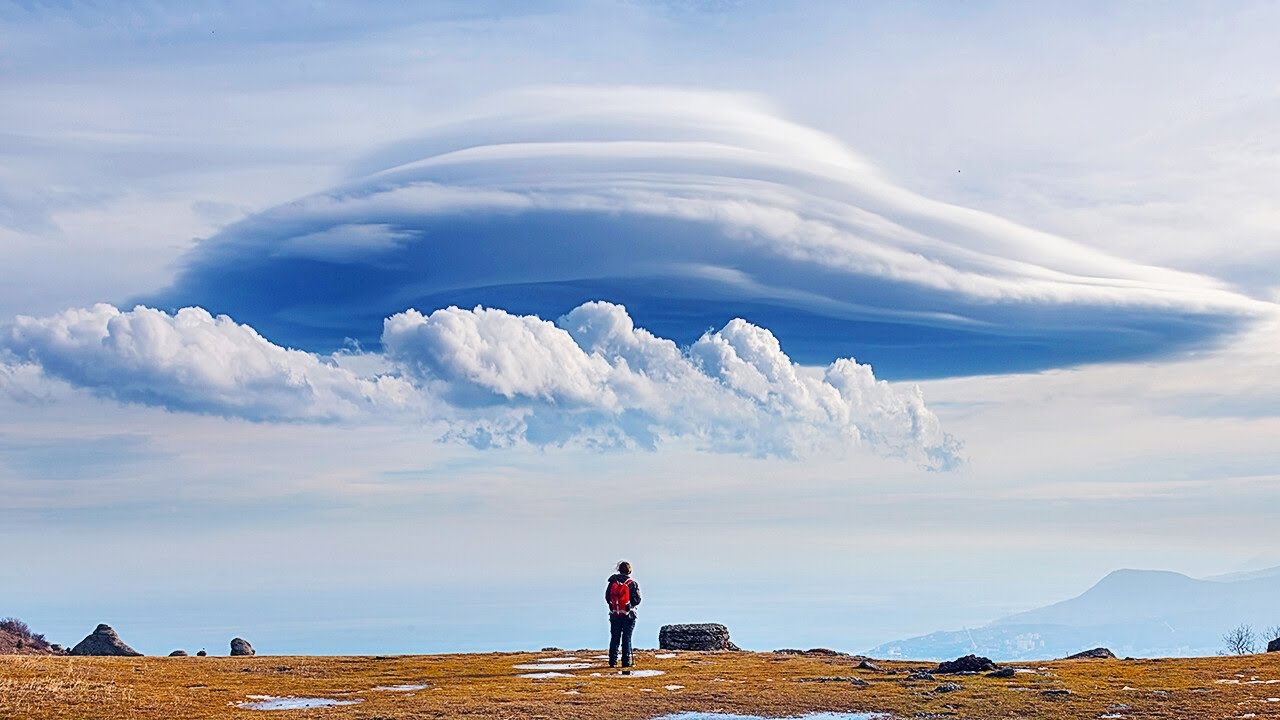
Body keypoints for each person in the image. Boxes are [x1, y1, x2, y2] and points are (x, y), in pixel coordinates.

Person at [605, 560, 641, 669]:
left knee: (614, 638)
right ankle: (626, 662)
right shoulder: (632, 584)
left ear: (619, 570)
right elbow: (637, 600)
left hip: (615, 614)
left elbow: (607, 598)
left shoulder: (612, 583)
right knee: (627, 638)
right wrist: (629, 605)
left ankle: (613, 661)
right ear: (629, 571)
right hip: (629, 615)